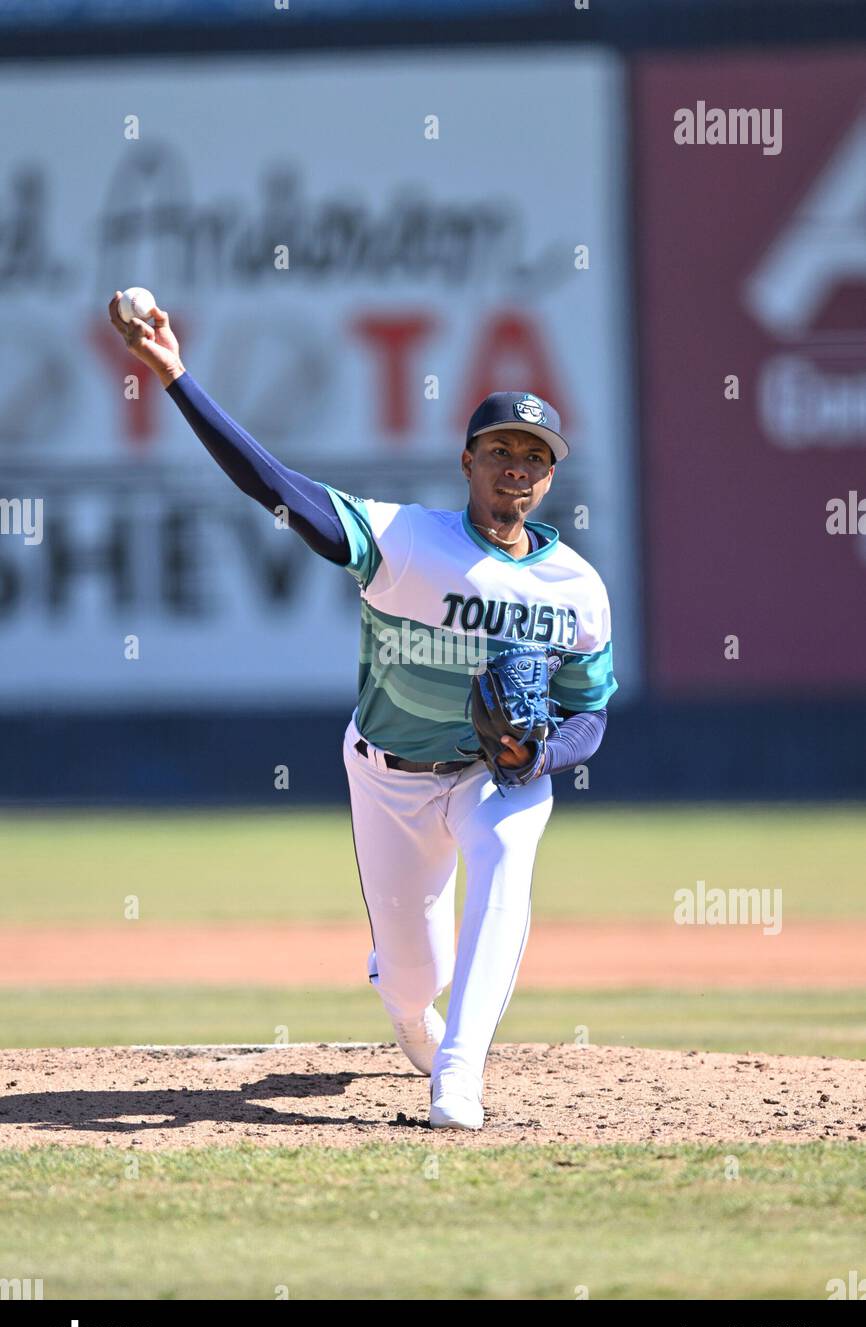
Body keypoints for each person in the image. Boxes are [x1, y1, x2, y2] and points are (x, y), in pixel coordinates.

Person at [108, 292, 617, 1130]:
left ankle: (461, 1074)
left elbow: (589, 715)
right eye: (500, 449)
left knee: (505, 879)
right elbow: (273, 487)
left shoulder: (578, 590)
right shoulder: (406, 542)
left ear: (551, 475)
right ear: (467, 461)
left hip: (496, 778)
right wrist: (176, 377)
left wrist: (544, 756)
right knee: (418, 983)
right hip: (390, 776)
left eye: (534, 455)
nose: (516, 466)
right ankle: (412, 1011)